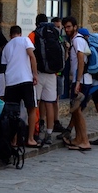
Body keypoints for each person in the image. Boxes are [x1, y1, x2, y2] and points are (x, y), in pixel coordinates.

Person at [2, 25, 41, 147]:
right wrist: (35, 74)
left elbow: (4, 65)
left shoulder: (6, 47)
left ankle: (13, 140)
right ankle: (30, 138)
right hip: (25, 79)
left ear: (10, 35)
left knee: (13, 112)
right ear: (20, 33)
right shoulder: (25, 40)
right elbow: (32, 56)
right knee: (31, 109)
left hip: (11, 82)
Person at [61, 16, 93, 151]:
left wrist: (78, 81)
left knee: (78, 111)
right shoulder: (76, 40)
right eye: (65, 27)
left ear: (75, 27)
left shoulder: (78, 41)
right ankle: (79, 139)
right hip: (81, 80)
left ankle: (84, 141)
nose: (66, 29)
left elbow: (81, 61)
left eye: (69, 27)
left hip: (81, 81)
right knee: (76, 111)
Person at [29, 13, 59, 145]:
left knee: (36, 102)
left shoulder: (34, 35)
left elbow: (29, 54)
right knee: (50, 103)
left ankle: (37, 131)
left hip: (39, 72)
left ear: (36, 23)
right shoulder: (54, 33)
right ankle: (49, 133)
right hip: (52, 73)